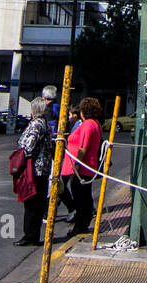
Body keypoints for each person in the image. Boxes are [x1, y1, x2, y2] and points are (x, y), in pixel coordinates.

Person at [60, 97, 103, 238]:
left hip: (82, 167)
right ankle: (83, 223)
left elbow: (83, 148)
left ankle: (80, 226)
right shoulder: (96, 124)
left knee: (79, 198)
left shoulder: (87, 125)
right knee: (85, 196)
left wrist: (77, 165)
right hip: (90, 165)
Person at [14, 99, 55, 246]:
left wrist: (21, 146)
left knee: (31, 203)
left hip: (34, 169)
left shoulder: (36, 124)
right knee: (37, 204)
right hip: (43, 169)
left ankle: (29, 235)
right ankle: (34, 235)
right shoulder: (46, 124)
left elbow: (28, 145)